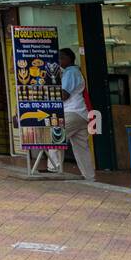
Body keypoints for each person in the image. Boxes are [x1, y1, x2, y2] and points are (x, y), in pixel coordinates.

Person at [46, 47, 96, 181]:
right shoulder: (75, 72)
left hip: (72, 112)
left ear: (69, 59)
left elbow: (64, 95)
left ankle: (54, 169)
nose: (59, 60)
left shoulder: (70, 72)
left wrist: (48, 93)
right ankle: (89, 176)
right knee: (81, 147)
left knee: (56, 135)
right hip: (81, 113)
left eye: (61, 58)